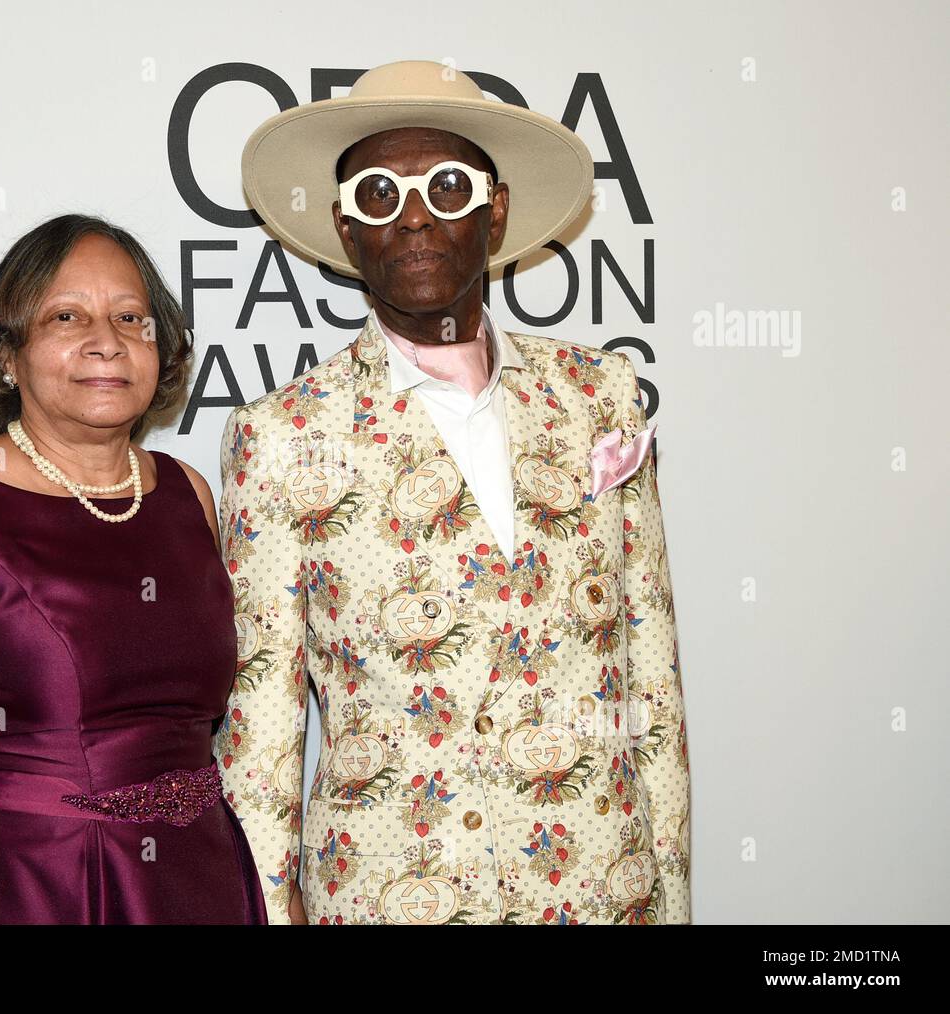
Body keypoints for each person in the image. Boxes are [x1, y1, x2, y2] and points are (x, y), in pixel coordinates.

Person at [214, 61, 691, 924]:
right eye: (378, 197)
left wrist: (670, 896)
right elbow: (262, 740)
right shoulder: (280, 437)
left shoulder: (600, 396)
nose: (416, 217)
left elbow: (650, 678)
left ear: (495, 209)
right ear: (345, 231)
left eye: (444, 185)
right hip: (389, 896)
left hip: (599, 887)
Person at [0, 213, 267, 924]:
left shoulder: (188, 493)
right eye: (66, 316)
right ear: (8, 357)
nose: (106, 341)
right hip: (31, 888)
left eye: (131, 317)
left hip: (200, 881)